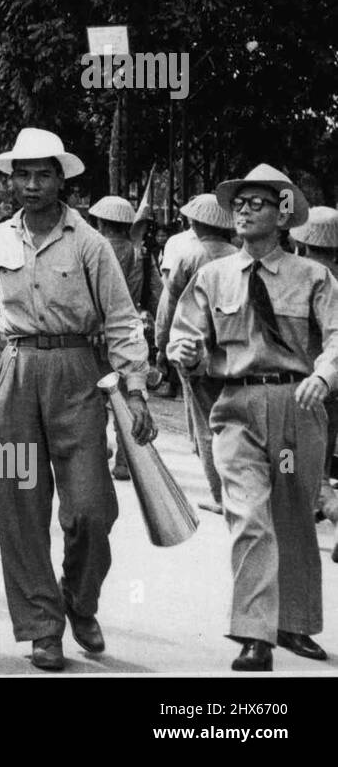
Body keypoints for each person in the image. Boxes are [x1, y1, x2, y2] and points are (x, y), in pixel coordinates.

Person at [0, 128, 155, 671]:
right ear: (9, 181)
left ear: (61, 178)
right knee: (20, 507)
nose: (30, 184)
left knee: (91, 510)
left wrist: (136, 391)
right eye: (21, 174)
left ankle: (80, 600)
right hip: (17, 378)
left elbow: (120, 319)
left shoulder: (89, 241)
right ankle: (43, 628)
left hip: (78, 377)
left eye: (42, 174)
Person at [168, 165, 337, 670]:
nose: (243, 211)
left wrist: (325, 376)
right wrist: (186, 352)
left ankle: (294, 624)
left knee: (292, 516)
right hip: (236, 408)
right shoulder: (211, 277)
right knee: (248, 515)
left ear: (283, 214)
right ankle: (253, 633)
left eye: (257, 203)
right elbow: (187, 336)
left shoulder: (314, 277)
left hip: (297, 408)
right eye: (238, 203)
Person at [153, 194, 237, 514]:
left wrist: (162, 346)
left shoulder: (189, 256)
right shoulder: (241, 256)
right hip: (233, 352)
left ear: (195, 223)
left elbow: (169, 304)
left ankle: (220, 496)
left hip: (195, 350)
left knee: (206, 424)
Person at [88, 195, 145, 481]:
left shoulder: (95, 248)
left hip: (96, 333)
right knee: (124, 398)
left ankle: (98, 452)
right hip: (126, 329)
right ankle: (124, 460)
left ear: (101, 221)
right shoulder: (137, 252)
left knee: (95, 397)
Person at [291, 206, 338, 534]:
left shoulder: (304, 278)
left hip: (306, 381)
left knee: (292, 455)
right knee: (323, 453)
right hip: (333, 381)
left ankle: (328, 510)